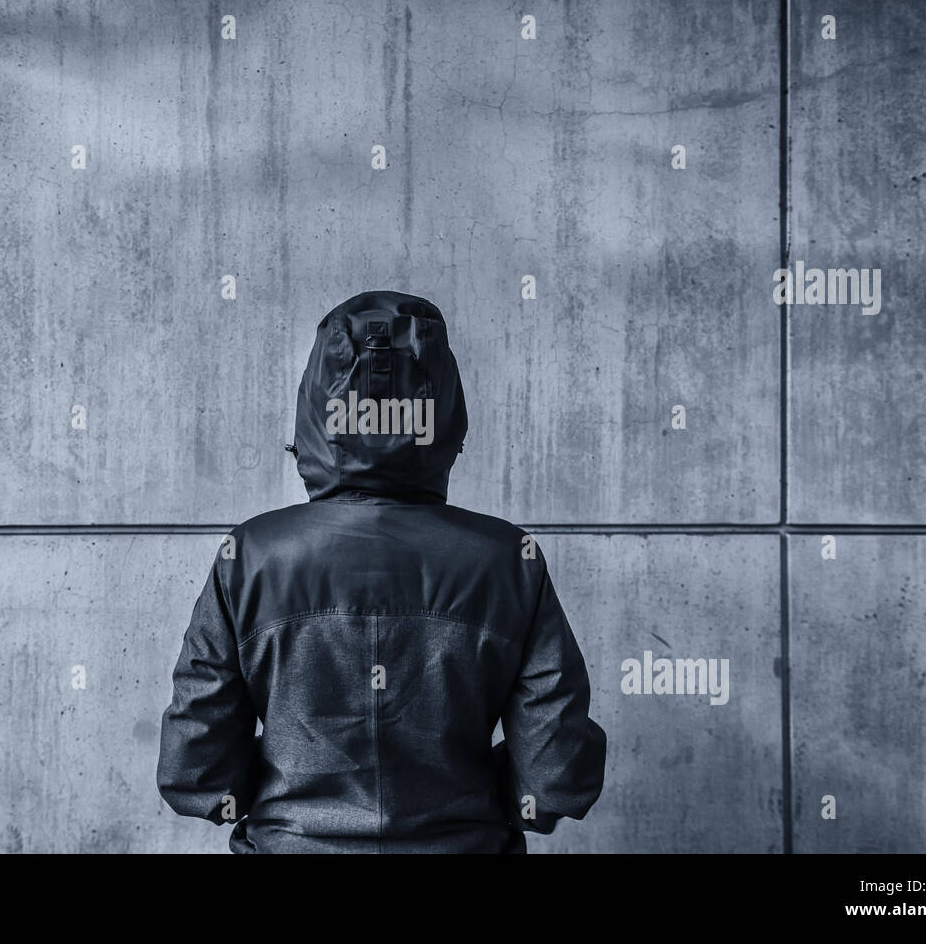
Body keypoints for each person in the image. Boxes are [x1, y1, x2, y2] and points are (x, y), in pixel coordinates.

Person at [156, 290, 607, 852]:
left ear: (317, 414)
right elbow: (556, 776)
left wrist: (287, 797)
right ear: (444, 414)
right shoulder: (508, 558)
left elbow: (195, 772)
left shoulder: (248, 555)